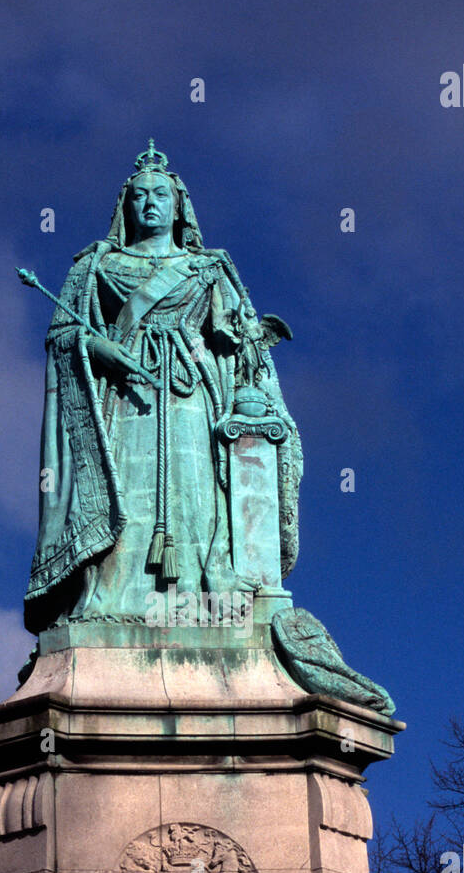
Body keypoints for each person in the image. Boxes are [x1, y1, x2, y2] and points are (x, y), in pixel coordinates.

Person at [24, 140, 302, 635]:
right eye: (139, 196)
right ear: (125, 207)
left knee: (197, 498)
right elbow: (62, 338)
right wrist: (99, 348)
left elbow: (242, 351)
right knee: (124, 497)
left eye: (160, 195)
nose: (149, 203)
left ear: (179, 208)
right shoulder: (94, 267)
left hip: (191, 397)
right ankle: (107, 596)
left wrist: (247, 348)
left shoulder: (210, 268)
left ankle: (199, 595)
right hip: (122, 399)